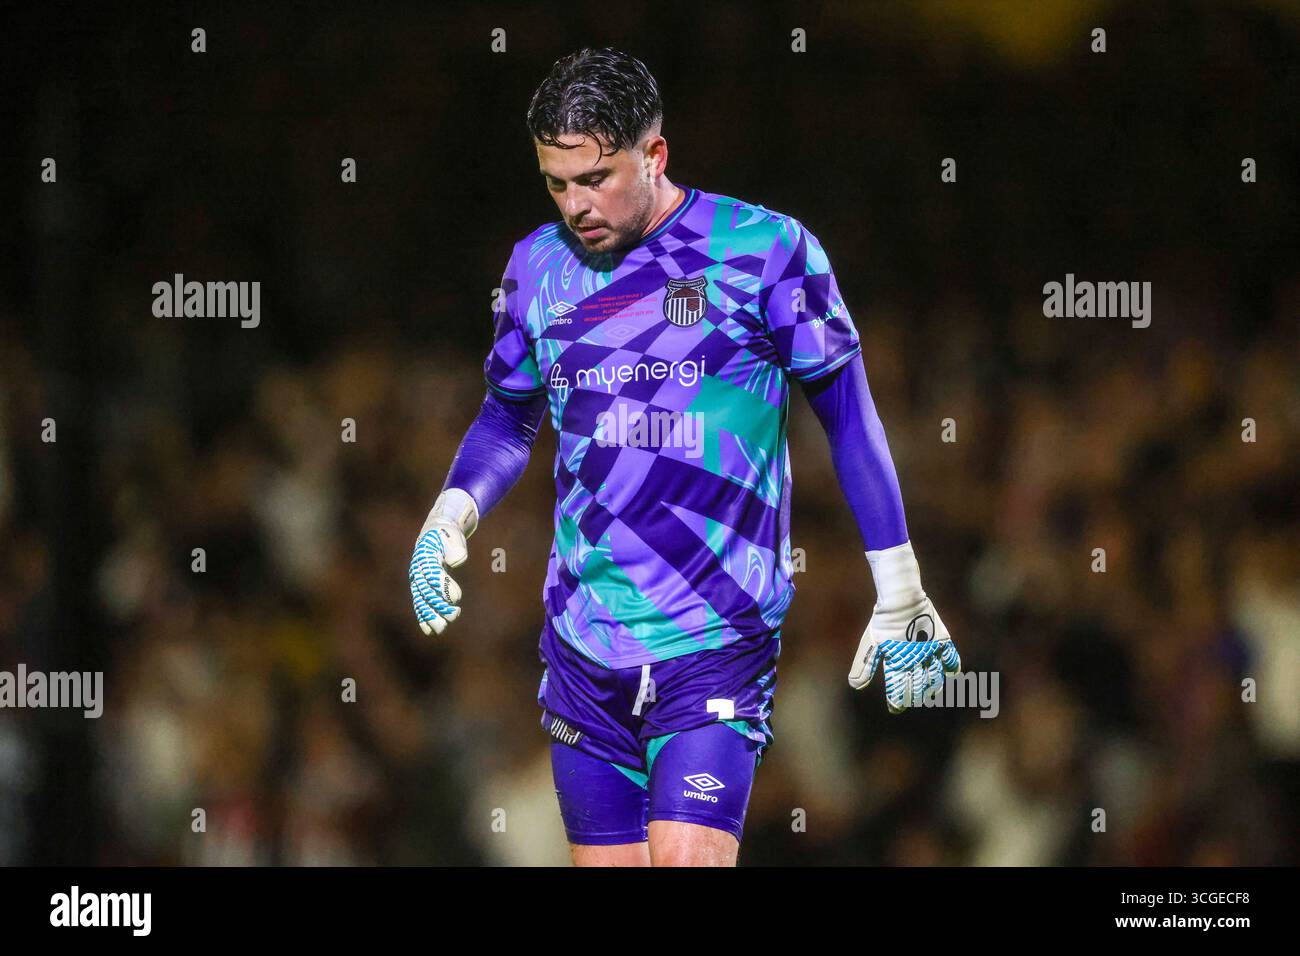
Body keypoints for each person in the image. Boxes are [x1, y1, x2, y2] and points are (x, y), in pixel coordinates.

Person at [409, 47, 960, 867]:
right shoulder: (537, 268)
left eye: (595, 178)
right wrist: (450, 509)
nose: (575, 204)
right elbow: (508, 415)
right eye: (556, 183)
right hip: (582, 640)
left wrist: (900, 581)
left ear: (655, 154)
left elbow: (847, 416)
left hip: (716, 629)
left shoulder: (766, 250)